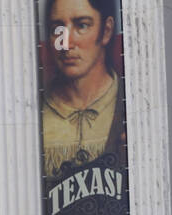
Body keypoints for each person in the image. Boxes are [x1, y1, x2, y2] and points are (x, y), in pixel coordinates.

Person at [42, 0, 126, 179]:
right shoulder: (37, 111)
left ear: (106, 31)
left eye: (82, 26)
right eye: (57, 29)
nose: (66, 44)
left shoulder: (127, 102)